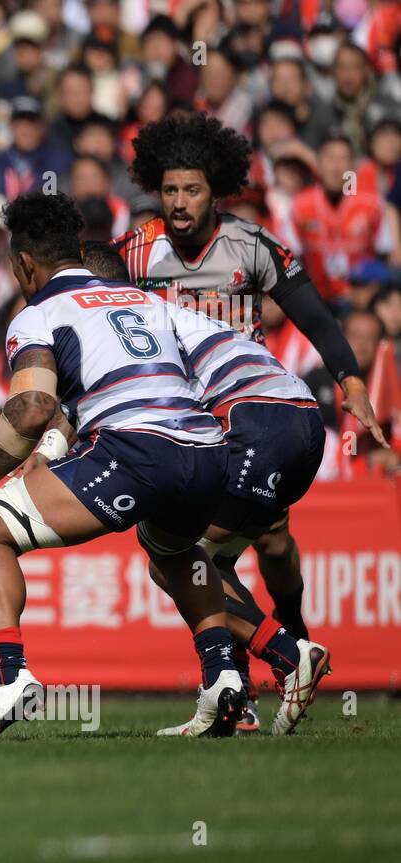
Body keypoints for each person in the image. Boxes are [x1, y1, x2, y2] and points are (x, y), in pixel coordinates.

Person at [0, 192, 242, 742]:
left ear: (24, 264)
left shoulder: (37, 314)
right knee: (175, 550)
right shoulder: (144, 301)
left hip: (138, 450)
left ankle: (6, 679)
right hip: (206, 449)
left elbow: (33, 406)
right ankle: (223, 673)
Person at [113, 113, 385, 648]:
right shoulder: (136, 252)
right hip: (184, 423)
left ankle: (291, 630)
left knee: (273, 543)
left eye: (192, 189)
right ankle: (241, 675)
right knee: (201, 553)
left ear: (216, 192)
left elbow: (317, 318)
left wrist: (350, 380)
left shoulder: (253, 245)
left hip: (249, 415)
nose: (179, 202)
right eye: (169, 189)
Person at [81, 241, 332, 737]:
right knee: (211, 563)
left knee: (168, 554)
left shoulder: (120, 327)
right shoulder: (161, 313)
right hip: (302, 422)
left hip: (256, 421)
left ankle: (289, 655)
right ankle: (231, 701)